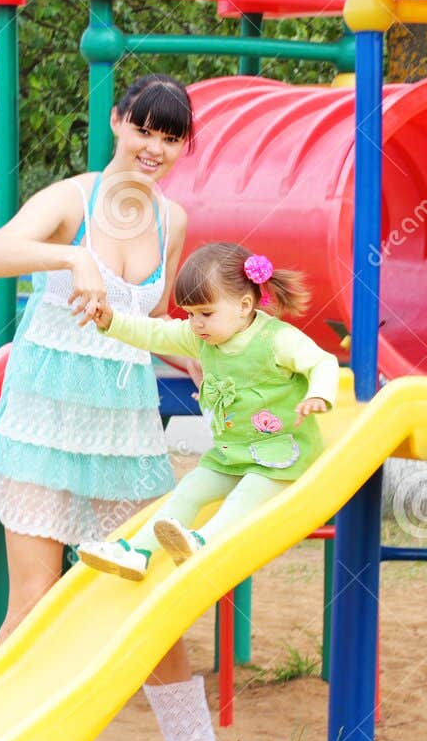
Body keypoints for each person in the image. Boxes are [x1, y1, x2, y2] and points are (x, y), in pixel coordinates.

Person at [0, 74, 248, 741]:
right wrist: (72, 259)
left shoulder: (173, 220)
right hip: (41, 419)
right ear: (119, 123)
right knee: (32, 597)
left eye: (170, 137)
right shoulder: (73, 198)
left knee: (150, 600)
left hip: (123, 428)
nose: (154, 148)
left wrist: (198, 358)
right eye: (145, 130)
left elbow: (151, 320)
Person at [73, 242, 339, 577]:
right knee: (189, 490)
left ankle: (204, 541)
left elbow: (322, 363)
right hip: (231, 454)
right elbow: (154, 333)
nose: (196, 323)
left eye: (206, 313)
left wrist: (319, 395)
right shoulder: (201, 337)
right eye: (190, 313)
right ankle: (137, 551)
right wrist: (112, 321)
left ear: (244, 306)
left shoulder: (276, 339)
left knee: (245, 497)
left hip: (278, 457)